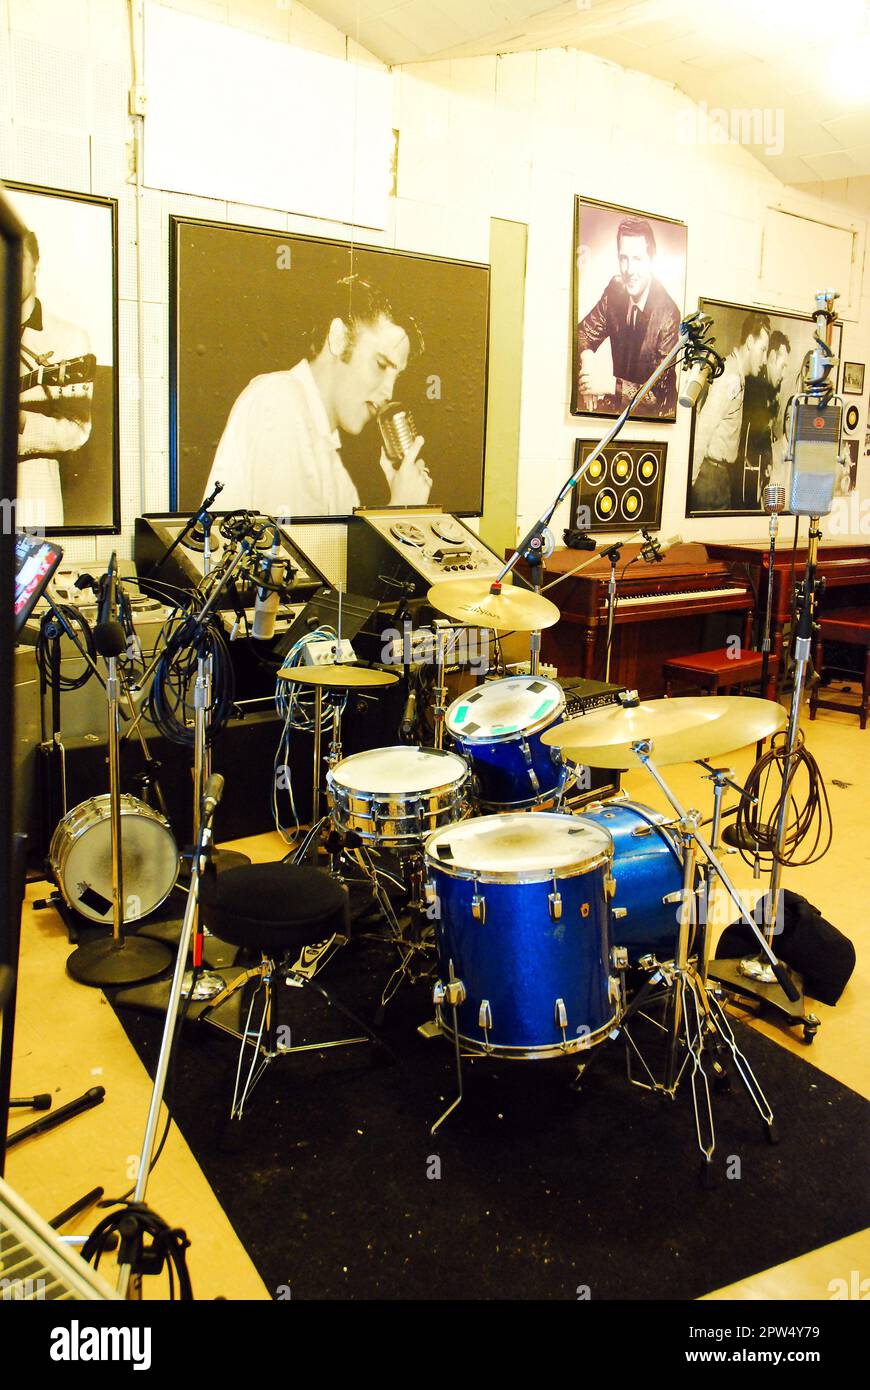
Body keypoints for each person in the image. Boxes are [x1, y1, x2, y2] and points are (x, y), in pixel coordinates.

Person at [203, 275, 432, 518]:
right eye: (380, 365)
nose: (389, 392)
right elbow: (296, 549)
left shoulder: (340, 480)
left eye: (397, 376)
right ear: (338, 338)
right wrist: (397, 511)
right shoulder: (280, 400)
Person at [18, 230, 94, 528]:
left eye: (16, 258)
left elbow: (77, 430)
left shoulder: (69, 337)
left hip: (30, 497)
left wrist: (19, 422)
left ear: (35, 263)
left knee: (31, 573)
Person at [576, 216, 682, 418]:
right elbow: (582, 333)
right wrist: (588, 367)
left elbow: (656, 396)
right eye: (624, 258)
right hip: (619, 413)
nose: (630, 270)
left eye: (638, 259)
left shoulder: (668, 314)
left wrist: (607, 384)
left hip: (656, 418)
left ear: (651, 260)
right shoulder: (616, 289)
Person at [690, 312, 771, 512]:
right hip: (711, 478)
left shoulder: (735, 374)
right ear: (750, 342)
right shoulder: (730, 377)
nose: (764, 359)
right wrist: (689, 482)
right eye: (762, 350)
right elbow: (704, 429)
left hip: (720, 475)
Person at [737, 328, 790, 509]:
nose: (783, 374)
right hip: (744, 482)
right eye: (783, 366)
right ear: (773, 356)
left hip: (754, 477)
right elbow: (756, 434)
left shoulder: (768, 390)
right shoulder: (756, 388)